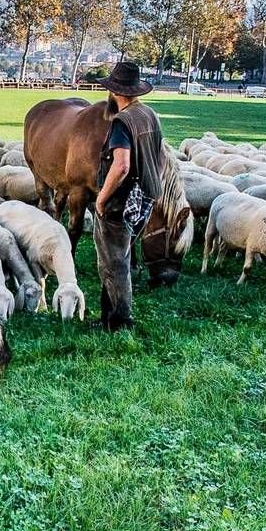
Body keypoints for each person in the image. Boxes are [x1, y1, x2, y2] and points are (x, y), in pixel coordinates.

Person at [89, 61, 167, 334]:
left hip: (119, 202)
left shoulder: (122, 122)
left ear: (114, 91)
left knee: (114, 262)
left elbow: (121, 166)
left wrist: (101, 199)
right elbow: (160, 157)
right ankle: (108, 315)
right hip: (143, 198)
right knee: (116, 256)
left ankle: (122, 322)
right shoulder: (149, 115)